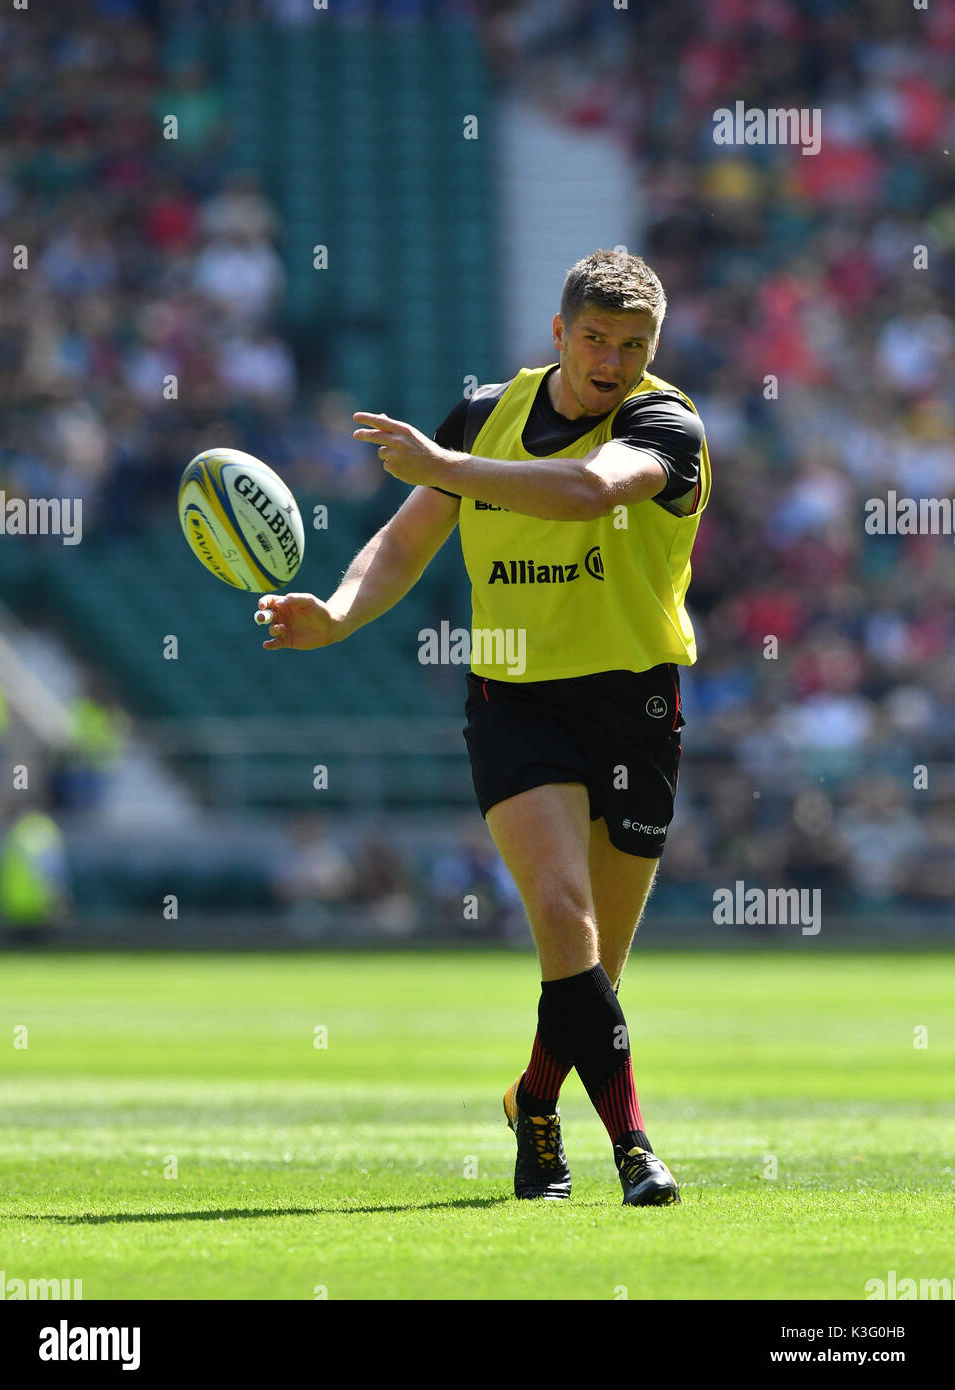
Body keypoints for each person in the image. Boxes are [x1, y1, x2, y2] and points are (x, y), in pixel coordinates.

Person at [258, 249, 711, 1207]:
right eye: (594, 339)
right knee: (560, 911)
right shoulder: (487, 415)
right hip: (515, 697)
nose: (611, 361)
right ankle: (633, 1147)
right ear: (558, 334)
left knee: (592, 972)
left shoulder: (666, 425)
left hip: (634, 704)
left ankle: (532, 1102)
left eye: (633, 346)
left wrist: (446, 466)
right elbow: (404, 541)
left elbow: (590, 488)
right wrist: (338, 613)